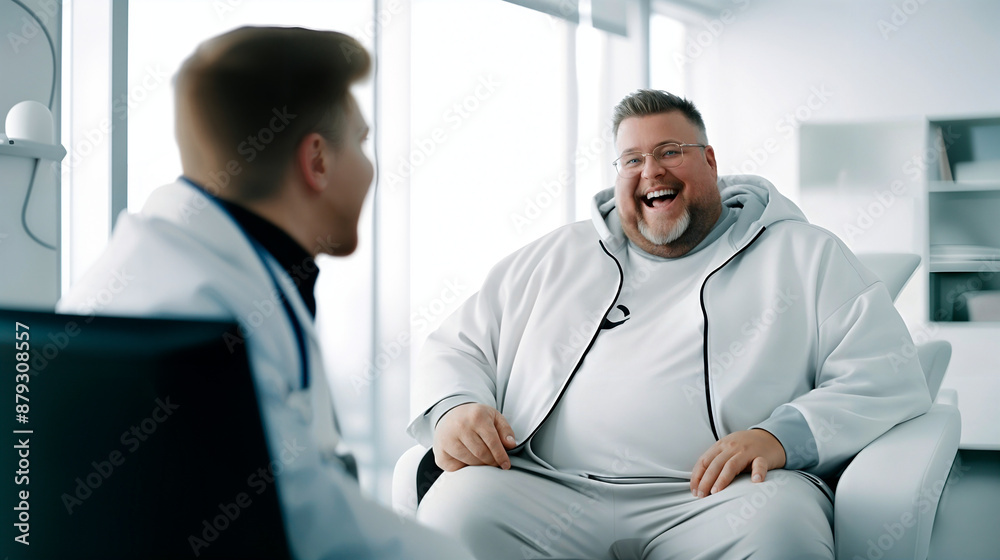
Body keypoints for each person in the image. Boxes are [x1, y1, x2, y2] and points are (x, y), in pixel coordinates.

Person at [407, 89, 932, 559]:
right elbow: (457, 345)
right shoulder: (555, 256)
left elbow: (885, 371)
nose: (650, 171)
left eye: (669, 152)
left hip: (723, 498)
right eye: (632, 158)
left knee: (780, 533)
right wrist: (456, 407)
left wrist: (779, 436)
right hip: (548, 487)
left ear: (710, 161)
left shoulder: (805, 254)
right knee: (456, 511)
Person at [58, 27, 472, 560]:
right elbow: (307, 525)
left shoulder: (148, 268)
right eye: (362, 142)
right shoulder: (204, 319)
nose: (371, 168)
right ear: (317, 160)